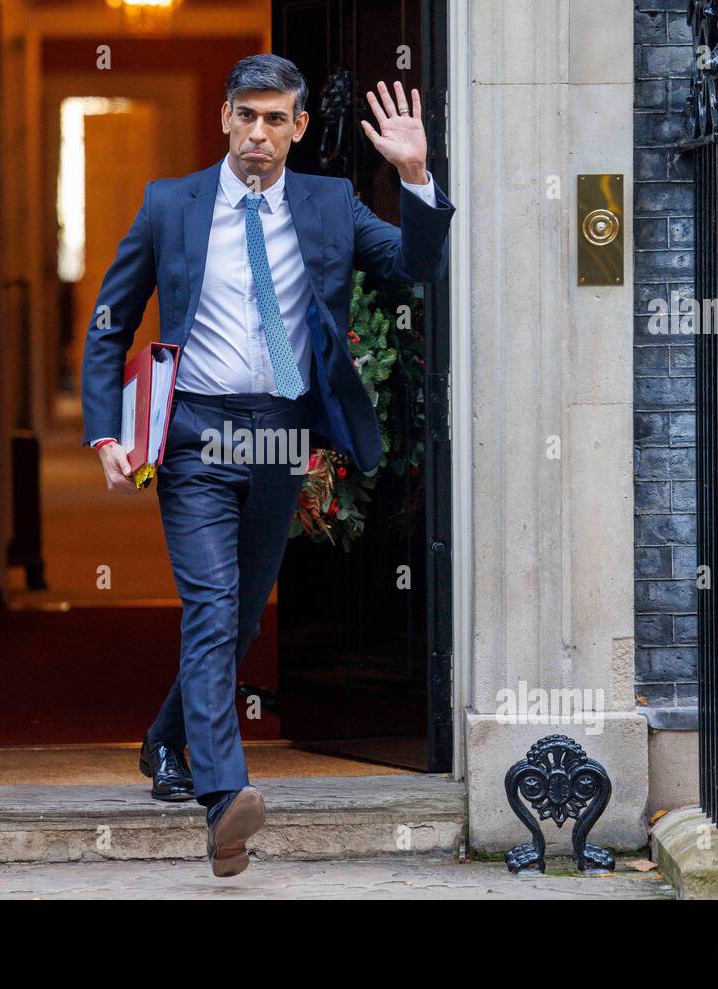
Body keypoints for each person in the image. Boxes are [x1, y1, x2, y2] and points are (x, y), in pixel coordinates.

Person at [81, 53, 455, 877]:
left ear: (297, 127)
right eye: (246, 116)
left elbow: (415, 268)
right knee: (211, 604)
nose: (259, 133)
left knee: (242, 614)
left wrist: (417, 175)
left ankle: (163, 742)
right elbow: (111, 317)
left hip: (281, 436)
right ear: (224, 118)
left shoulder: (329, 204)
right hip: (196, 435)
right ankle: (225, 798)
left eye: (276, 119)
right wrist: (107, 429)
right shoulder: (169, 205)